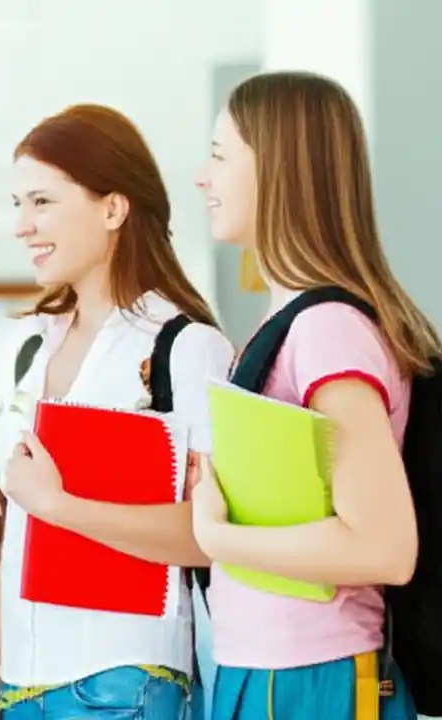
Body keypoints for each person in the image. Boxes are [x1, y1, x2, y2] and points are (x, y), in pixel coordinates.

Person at [0, 104, 235, 720]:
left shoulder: (183, 348)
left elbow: (211, 538)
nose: (22, 226)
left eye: (41, 202)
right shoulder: (29, 348)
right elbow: (19, 531)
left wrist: (61, 506)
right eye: (17, 204)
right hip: (20, 685)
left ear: (113, 208)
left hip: (123, 682)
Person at [191, 70, 434, 719]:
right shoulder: (287, 329)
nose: (202, 178)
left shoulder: (328, 330)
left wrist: (217, 534)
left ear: (275, 170)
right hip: (265, 672)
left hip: (311, 677)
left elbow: (382, 547)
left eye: (218, 156)